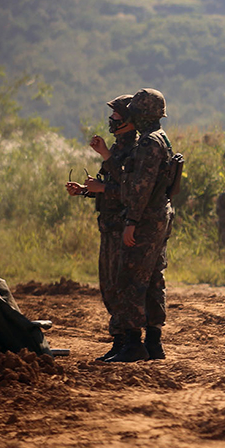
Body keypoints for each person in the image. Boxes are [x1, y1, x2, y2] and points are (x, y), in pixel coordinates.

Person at [65, 94, 138, 361]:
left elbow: (130, 189)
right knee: (108, 285)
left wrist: (106, 156)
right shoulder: (119, 147)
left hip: (122, 227)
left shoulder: (135, 149)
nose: (112, 119)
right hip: (109, 227)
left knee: (121, 285)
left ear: (129, 120)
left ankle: (130, 342)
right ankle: (119, 342)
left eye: (116, 115)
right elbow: (111, 186)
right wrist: (87, 190)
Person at [109, 88, 178, 362]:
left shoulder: (149, 143)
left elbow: (141, 187)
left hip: (146, 218)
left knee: (132, 278)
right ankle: (153, 343)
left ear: (144, 113)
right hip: (158, 215)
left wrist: (132, 221)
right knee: (152, 280)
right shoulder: (161, 139)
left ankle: (133, 344)